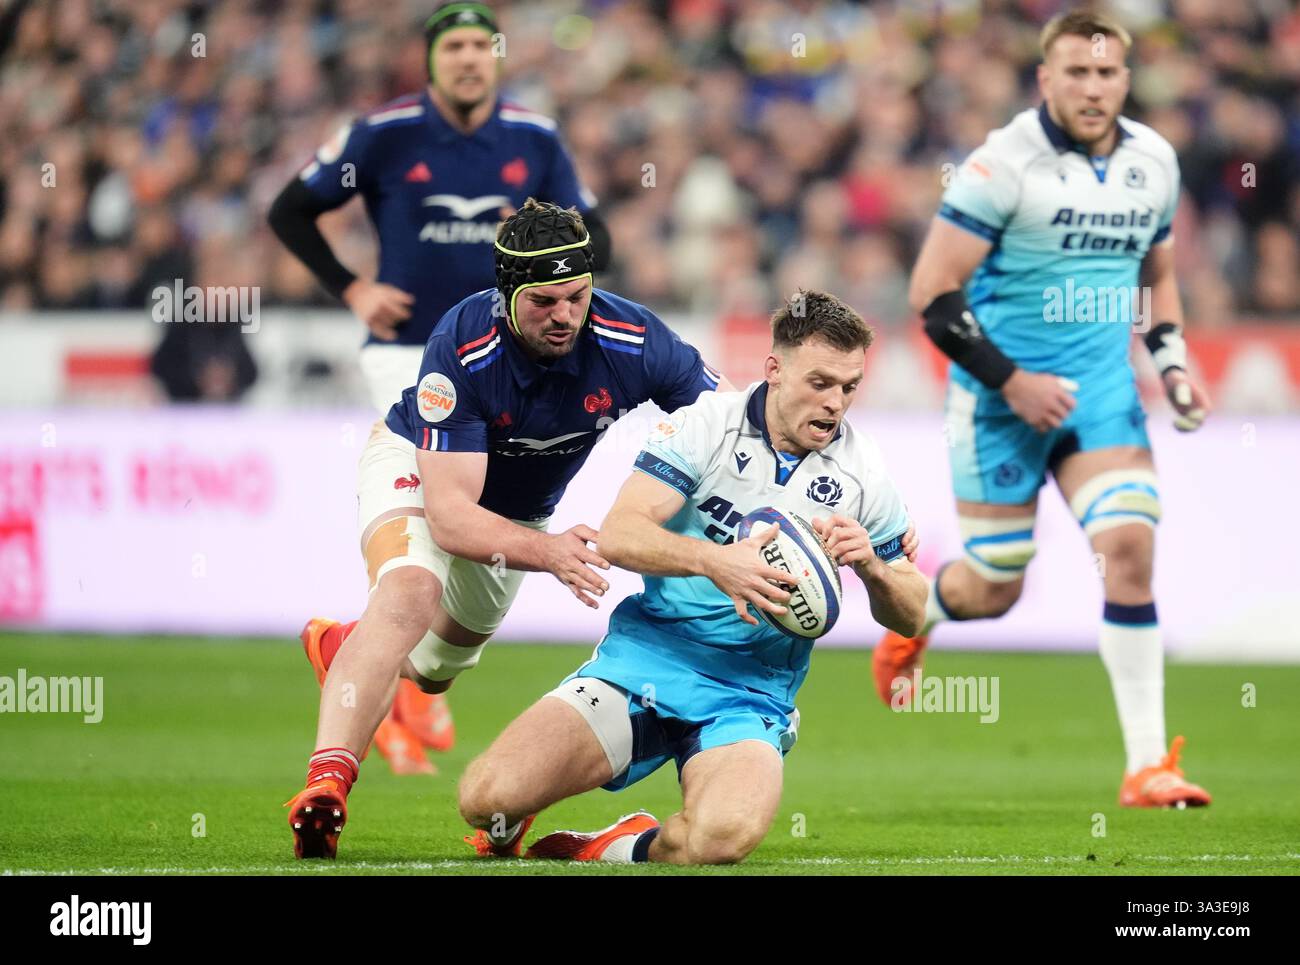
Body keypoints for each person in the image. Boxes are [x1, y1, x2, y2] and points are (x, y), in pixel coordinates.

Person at [285, 199, 730, 859]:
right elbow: (451, 516)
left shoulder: (635, 340)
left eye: (577, 296)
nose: (565, 315)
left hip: (520, 514)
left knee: (434, 671)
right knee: (408, 593)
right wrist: (548, 552)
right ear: (509, 293)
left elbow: (725, 428)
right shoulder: (463, 344)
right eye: (544, 301)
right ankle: (326, 786)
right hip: (422, 468)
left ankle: (348, 647)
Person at [872, 10, 1212, 808]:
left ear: (1126, 79)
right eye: (1077, 73)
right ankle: (915, 615)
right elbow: (932, 295)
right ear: (1046, 79)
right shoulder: (1002, 165)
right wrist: (1015, 381)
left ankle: (1145, 764)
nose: (1094, 87)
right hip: (997, 401)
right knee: (996, 588)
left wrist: (1172, 362)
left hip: (1099, 398)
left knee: (1129, 545)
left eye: (1108, 73)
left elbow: (1156, 274)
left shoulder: (1154, 160)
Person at [456, 290, 927, 865]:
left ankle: (612, 846)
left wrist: (874, 567)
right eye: (821, 383)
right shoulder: (706, 425)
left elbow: (912, 611)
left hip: (748, 691)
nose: (836, 405)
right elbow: (622, 534)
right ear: (774, 370)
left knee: (719, 840)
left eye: (850, 387)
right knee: (486, 800)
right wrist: (715, 561)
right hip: (646, 661)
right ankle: (528, 802)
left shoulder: (863, 473)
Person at [268, 1, 610, 770]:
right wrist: (352, 288)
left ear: (496, 58)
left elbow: (597, 232)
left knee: (471, 536)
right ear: (430, 61)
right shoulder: (383, 133)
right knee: (433, 521)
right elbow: (291, 209)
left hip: (508, 363)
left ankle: (375, 658)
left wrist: (565, 296)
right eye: (452, 46)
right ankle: (379, 671)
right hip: (409, 351)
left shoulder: (533, 138)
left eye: (480, 46)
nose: (467, 59)